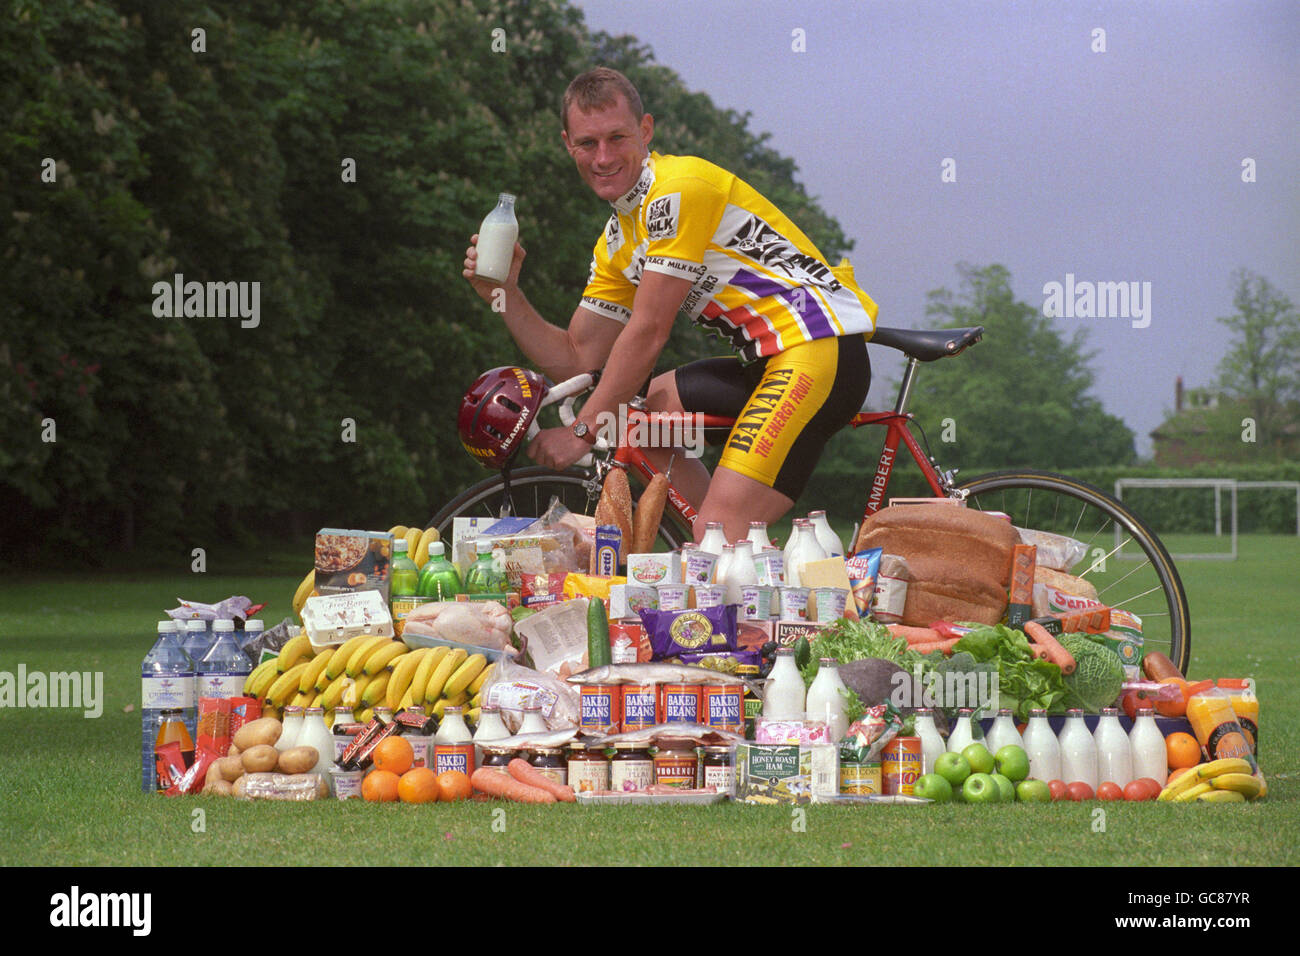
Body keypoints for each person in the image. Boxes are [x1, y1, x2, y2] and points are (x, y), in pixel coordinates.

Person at [462, 67, 878, 543]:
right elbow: (579, 356)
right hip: (769, 360)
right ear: (566, 144)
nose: (603, 157)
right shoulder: (618, 237)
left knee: (718, 526)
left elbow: (649, 329)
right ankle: (740, 554)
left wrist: (580, 430)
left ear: (645, 130)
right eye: (587, 143)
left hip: (816, 349)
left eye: (617, 138)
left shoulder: (677, 189)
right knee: (640, 420)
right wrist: (505, 294)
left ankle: (730, 544)